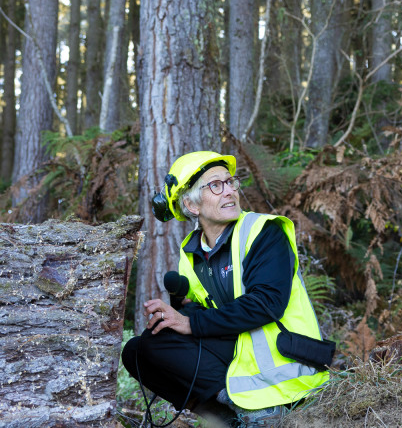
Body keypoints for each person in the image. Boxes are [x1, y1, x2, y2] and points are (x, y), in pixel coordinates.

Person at [122, 151, 329, 427]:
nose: (230, 191)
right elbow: (203, 314)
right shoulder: (191, 254)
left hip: (287, 367)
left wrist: (191, 322)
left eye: (231, 182)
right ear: (191, 205)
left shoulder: (264, 232)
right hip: (238, 354)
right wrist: (177, 316)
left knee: (163, 338)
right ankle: (228, 418)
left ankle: (265, 412)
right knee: (139, 350)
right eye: (216, 185)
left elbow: (267, 303)